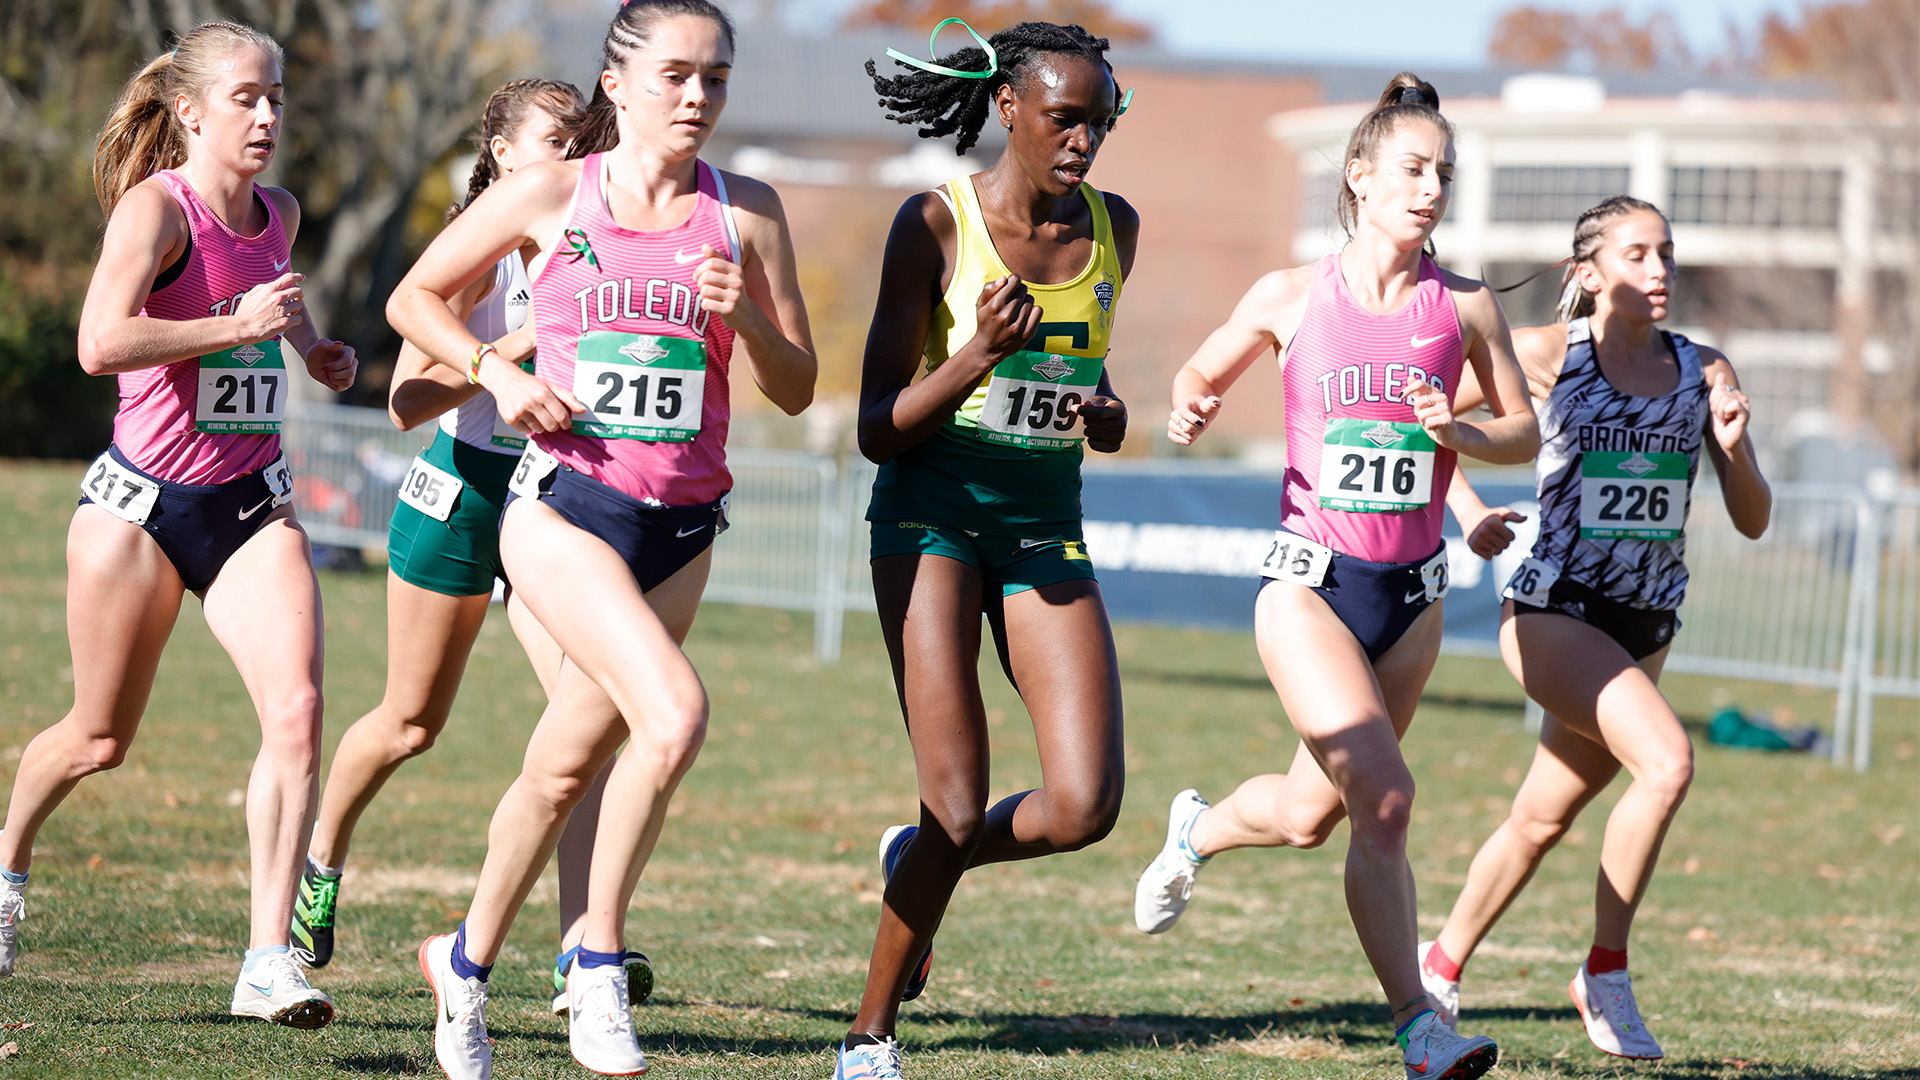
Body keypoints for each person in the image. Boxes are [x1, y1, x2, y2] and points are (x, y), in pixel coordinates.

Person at [385, 2, 815, 1076]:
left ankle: (462, 965)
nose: (698, 97)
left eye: (716, 78)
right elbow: (412, 298)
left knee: (563, 767)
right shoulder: (550, 193)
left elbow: (800, 387)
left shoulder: (748, 212)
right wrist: (496, 371)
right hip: (564, 510)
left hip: (684, 526)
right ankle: (598, 967)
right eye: (675, 75)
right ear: (617, 86)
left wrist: (749, 321)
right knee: (673, 716)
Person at [1131, 73, 1539, 1080]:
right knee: (1386, 800)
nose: (1431, 190)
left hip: (1412, 602)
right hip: (1309, 589)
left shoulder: (1466, 305)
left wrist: (1462, 435)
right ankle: (1420, 1029)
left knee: (1311, 816)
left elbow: (1521, 429)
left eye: (1443, 174)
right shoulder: (1290, 294)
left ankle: (1197, 830)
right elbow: (1199, 371)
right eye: (1413, 170)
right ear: (1359, 176)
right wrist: (1190, 405)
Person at [0, 21, 356, 1028]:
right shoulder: (156, 211)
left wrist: (316, 351)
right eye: (247, 98)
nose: (268, 115)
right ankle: (7, 871)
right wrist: (234, 327)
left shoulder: (279, 213)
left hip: (249, 505)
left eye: (277, 97)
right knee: (98, 737)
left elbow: (278, 311)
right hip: (141, 510)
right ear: (191, 112)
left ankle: (267, 961)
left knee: (297, 713)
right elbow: (99, 341)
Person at [291, 74, 648, 1014]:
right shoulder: (477, 253)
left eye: (584, 143)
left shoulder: (591, 238)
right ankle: (320, 857)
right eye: (555, 143)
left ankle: (581, 950)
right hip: (458, 493)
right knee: (411, 724)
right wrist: (513, 352)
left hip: (554, 500)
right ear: (501, 154)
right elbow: (405, 403)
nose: (573, 160)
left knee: (588, 722)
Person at [833, 18, 1138, 1080]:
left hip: (1044, 524)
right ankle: (868, 1038)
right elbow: (876, 427)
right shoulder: (933, 223)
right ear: (1009, 106)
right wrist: (973, 357)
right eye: (1066, 119)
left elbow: (1083, 378)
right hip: (932, 520)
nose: (1084, 141)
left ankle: (921, 860)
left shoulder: (1115, 228)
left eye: (1100, 123)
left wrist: (1107, 417)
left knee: (1086, 806)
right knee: (955, 806)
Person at [1419, 196, 1770, 1061]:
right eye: (1637, 254)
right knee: (1668, 762)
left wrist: (1734, 448)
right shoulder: (1546, 354)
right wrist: (1467, 513)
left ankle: (1439, 965)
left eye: (1666, 253)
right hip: (1555, 610)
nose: (1659, 270)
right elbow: (1429, 433)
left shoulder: (1703, 369)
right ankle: (1604, 970)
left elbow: (1753, 519)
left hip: (1646, 624)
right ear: (1588, 272)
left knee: (1540, 819)